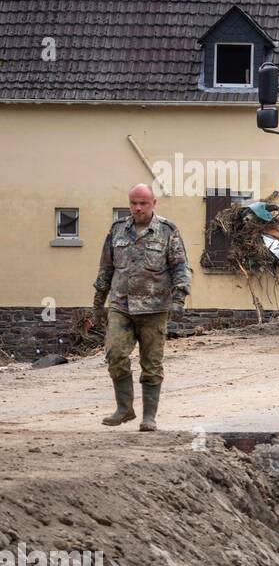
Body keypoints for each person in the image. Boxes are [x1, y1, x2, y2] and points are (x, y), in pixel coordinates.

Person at [93, 183, 190, 431]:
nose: (138, 208)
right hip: (121, 305)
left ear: (153, 203)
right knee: (115, 354)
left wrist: (179, 297)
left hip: (154, 307)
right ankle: (124, 408)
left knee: (152, 364)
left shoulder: (167, 231)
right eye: (134, 203)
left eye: (143, 203)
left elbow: (180, 266)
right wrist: (97, 302)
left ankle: (149, 417)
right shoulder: (117, 230)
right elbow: (106, 268)